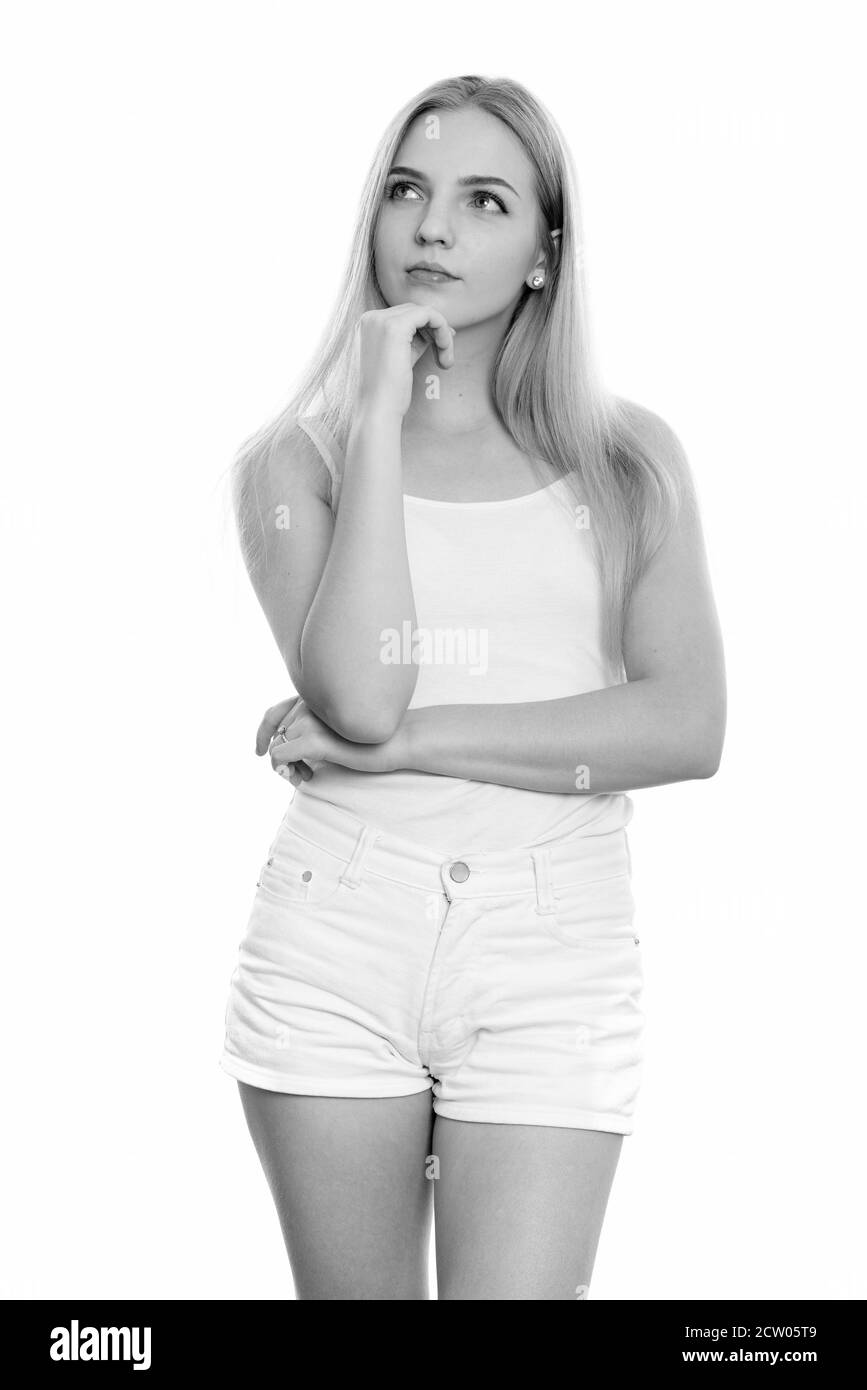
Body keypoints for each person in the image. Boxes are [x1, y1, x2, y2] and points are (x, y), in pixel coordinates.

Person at [219, 74, 726, 1300]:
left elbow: (684, 723)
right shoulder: (300, 460)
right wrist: (384, 404)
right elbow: (358, 689)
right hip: (338, 944)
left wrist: (399, 749)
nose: (432, 228)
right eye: (408, 190)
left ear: (546, 255)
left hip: (553, 950)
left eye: (483, 200)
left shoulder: (625, 459)